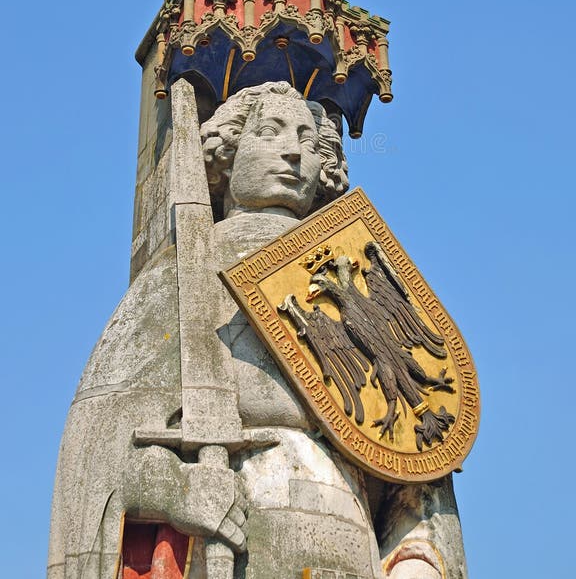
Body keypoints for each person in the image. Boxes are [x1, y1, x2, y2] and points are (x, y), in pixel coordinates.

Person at [48, 82, 465, 579]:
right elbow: (101, 447)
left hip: (356, 555)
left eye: (310, 142)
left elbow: (419, 452)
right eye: (271, 132)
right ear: (227, 153)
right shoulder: (183, 276)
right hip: (237, 545)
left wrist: (417, 554)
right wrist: (176, 491)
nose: (294, 152)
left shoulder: (359, 268)